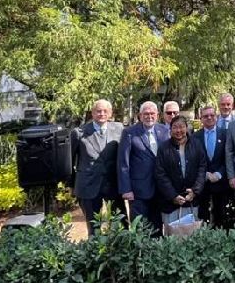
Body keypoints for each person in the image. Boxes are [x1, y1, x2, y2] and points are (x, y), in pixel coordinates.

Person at [71, 99, 124, 236]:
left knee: (120, 225)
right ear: (92, 113)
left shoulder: (119, 129)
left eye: (105, 111)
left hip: (113, 186)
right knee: (94, 228)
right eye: (98, 111)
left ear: (110, 113)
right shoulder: (79, 133)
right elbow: (69, 161)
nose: (102, 114)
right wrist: (72, 184)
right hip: (88, 186)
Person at [118, 101, 167, 233]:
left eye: (152, 114)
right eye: (146, 114)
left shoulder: (164, 130)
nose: (149, 116)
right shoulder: (129, 133)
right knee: (140, 228)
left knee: (158, 227)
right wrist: (126, 189)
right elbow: (123, 163)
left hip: (160, 189)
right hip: (138, 190)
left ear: (157, 115)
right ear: (140, 115)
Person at [154, 115, 207, 224]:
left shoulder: (196, 144)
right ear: (170, 129)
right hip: (170, 202)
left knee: (191, 235)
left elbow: (202, 168)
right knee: (172, 237)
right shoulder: (163, 148)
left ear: (187, 128)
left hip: (191, 199)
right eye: (175, 127)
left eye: (181, 127)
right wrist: (173, 195)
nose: (178, 130)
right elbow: (160, 174)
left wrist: (195, 191)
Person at [193, 105, 231, 227]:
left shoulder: (225, 134)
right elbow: (194, 160)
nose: (209, 118)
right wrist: (205, 174)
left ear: (216, 116)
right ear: (201, 119)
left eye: (212, 115)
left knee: (221, 215)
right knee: (202, 215)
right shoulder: (195, 137)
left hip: (221, 183)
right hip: (203, 184)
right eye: (205, 116)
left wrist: (219, 174)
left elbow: (229, 158)